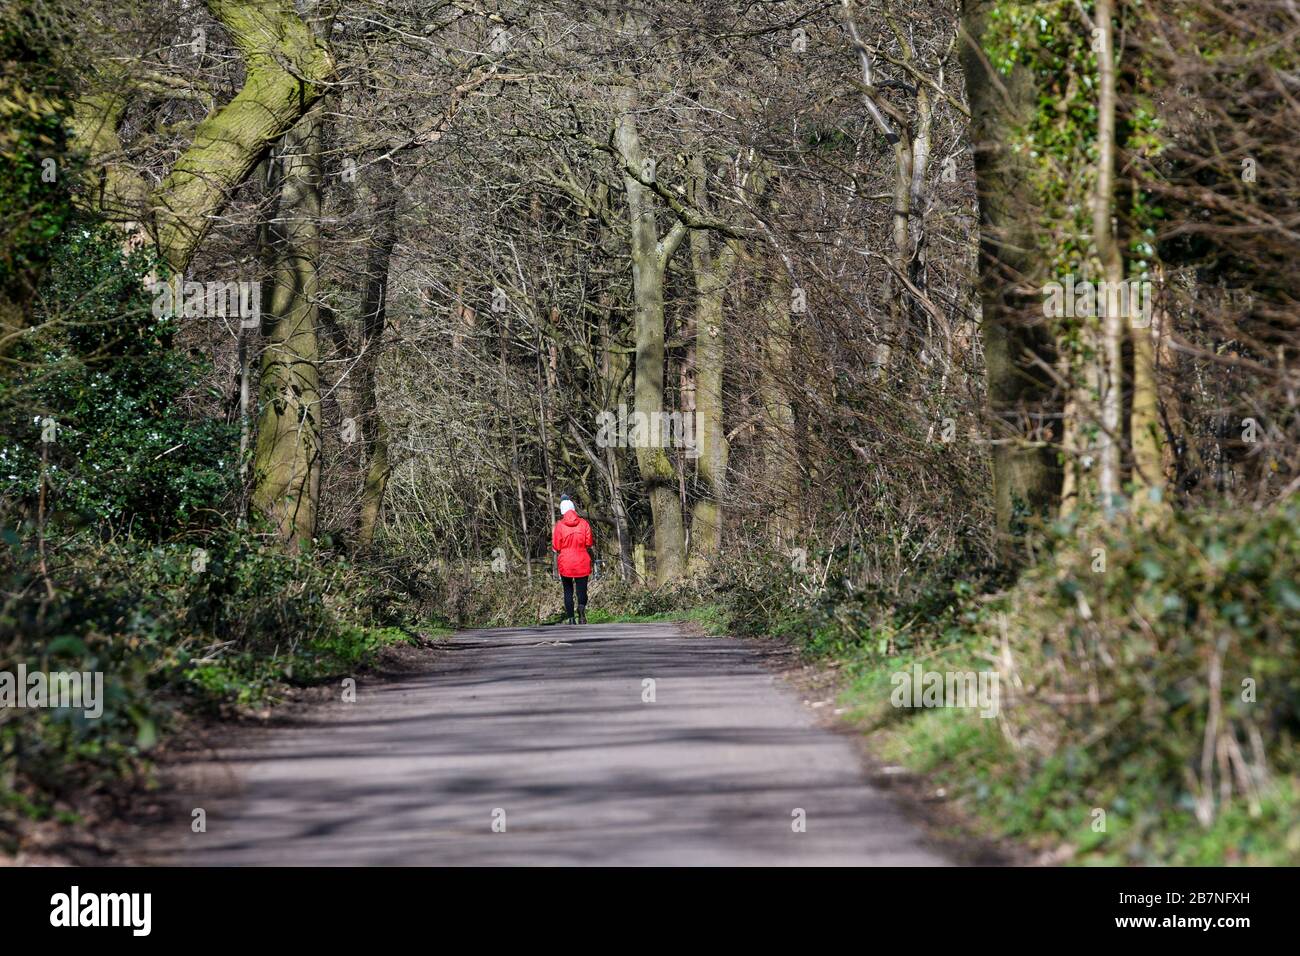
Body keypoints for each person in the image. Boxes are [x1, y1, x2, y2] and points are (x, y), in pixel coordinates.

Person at [551, 494, 593, 624]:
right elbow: (589, 543)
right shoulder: (584, 524)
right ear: (573, 509)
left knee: (568, 590)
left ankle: (571, 619)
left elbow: (556, 546)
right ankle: (581, 609)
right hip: (581, 560)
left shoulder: (559, 526)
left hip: (566, 562)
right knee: (582, 589)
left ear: (562, 511)